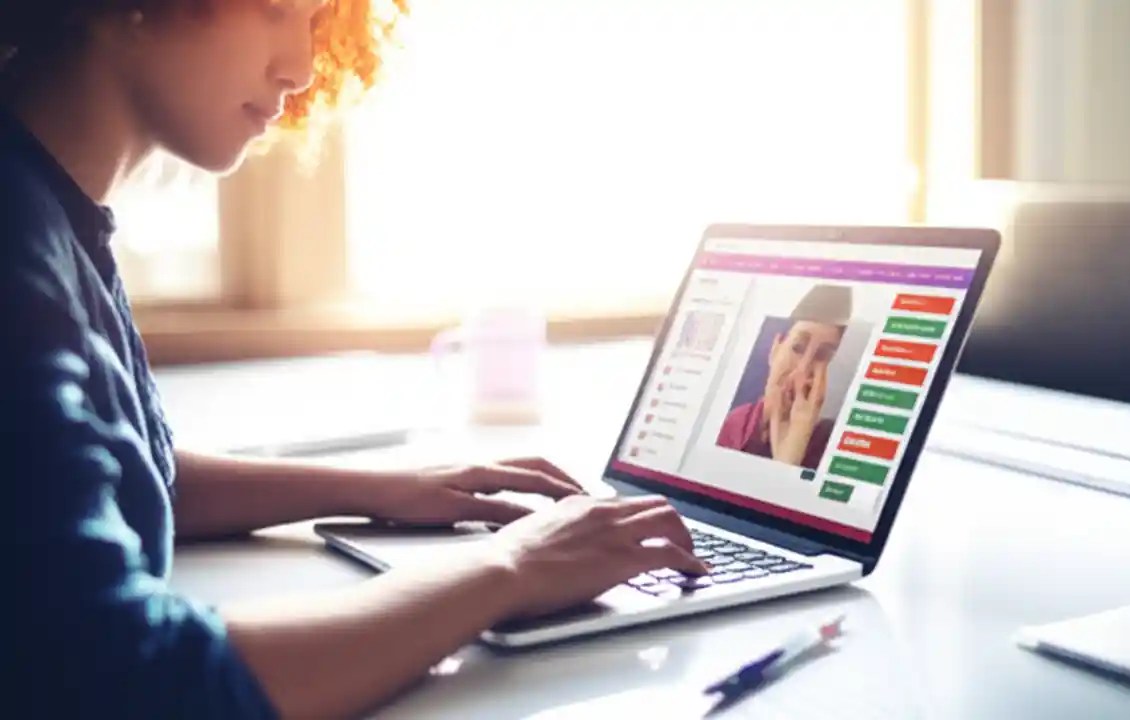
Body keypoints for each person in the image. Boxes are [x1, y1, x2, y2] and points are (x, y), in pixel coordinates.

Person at [1, 2, 706, 718]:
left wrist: (380, 489)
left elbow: (118, 479)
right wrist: (512, 566)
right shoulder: (15, 239)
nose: (303, 67)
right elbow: (123, 676)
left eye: (315, 22)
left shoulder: (50, 206)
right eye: (278, 9)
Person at [717, 284, 852, 469]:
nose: (802, 371)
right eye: (797, 347)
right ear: (775, 349)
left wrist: (789, 460)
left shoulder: (833, 446)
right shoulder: (734, 423)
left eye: (822, 356)